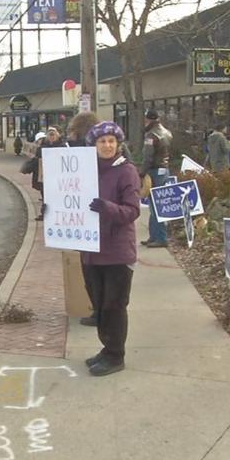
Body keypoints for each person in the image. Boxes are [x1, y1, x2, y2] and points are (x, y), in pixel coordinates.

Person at [82, 121, 141, 376]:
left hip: (116, 251)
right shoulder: (84, 171)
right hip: (90, 250)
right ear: (93, 145)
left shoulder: (126, 171)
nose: (107, 145)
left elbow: (133, 210)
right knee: (98, 304)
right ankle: (107, 348)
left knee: (113, 306)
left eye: (111, 141)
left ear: (118, 144)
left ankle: (116, 355)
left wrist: (108, 208)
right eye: (101, 141)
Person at [66, 111, 100, 327]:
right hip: (89, 218)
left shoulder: (83, 150)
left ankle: (99, 311)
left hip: (94, 219)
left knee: (94, 271)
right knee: (91, 270)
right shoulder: (81, 151)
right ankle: (97, 310)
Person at [140, 109, 173, 248]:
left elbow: (148, 157)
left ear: (149, 119)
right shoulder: (167, 132)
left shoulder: (151, 135)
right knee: (160, 204)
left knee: (155, 206)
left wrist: (141, 173)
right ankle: (155, 236)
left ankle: (159, 238)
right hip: (164, 170)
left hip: (154, 171)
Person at [35, 127, 66, 221]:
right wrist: (40, 177)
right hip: (47, 176)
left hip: (60, 176)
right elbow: (39, 162)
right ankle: (45, 214)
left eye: (53, 134)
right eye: (50, 134)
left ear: (58, 135)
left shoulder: (63, 146)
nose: (51, 136)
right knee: (46, 196)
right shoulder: (42, 147)